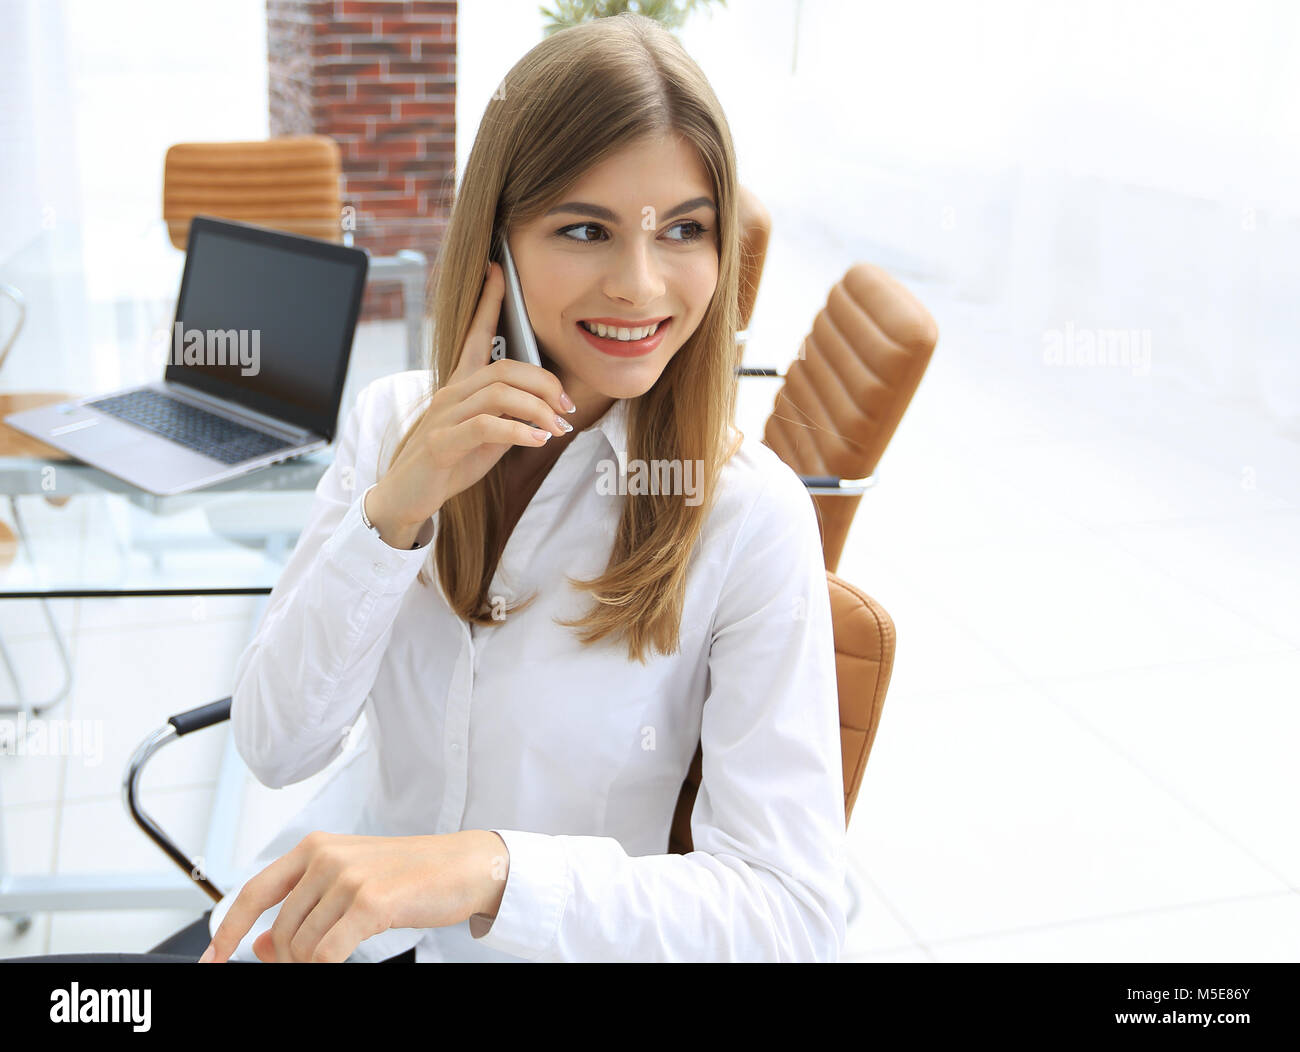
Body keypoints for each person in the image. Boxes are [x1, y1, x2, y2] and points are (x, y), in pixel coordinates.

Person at [199, 11, 846, 964]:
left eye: (685, 231)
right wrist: (395, 512)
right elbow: (275, 745)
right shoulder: (390, 423)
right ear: (495, 241)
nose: (640, 283)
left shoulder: (749, 516)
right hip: (331, 941)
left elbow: (791, 915)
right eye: (585, 229)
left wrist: (486, 870)